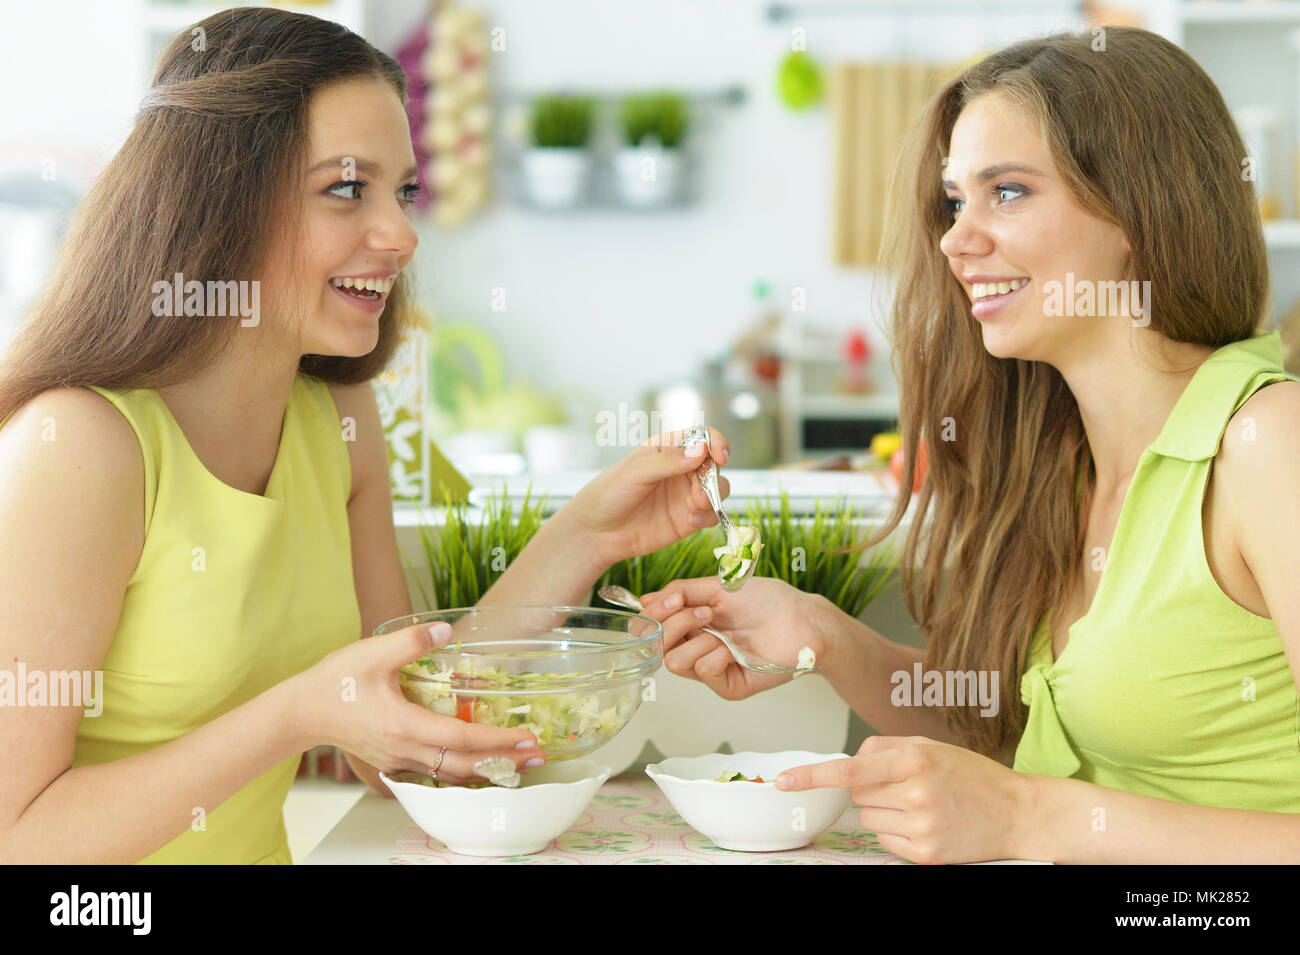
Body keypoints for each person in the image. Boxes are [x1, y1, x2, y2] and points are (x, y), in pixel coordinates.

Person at [0, 8, 717, 864]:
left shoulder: (335, 422)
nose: (403, 234)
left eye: (402, 190)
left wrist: (584, 534)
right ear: (220, 199)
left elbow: (405, 734)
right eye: (347, 188)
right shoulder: (83, 445)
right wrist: (300, 711)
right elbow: (18, 837)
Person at [641, 26, 1300, 864]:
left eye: (1010, 192)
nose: (957, 239)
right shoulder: (1066, 464)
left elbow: (1035, 804)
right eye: (956, 201)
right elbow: (1033, 747)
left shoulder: (1267, 444)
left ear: (1141, 206)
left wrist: (1033, 818)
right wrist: (830, 639)